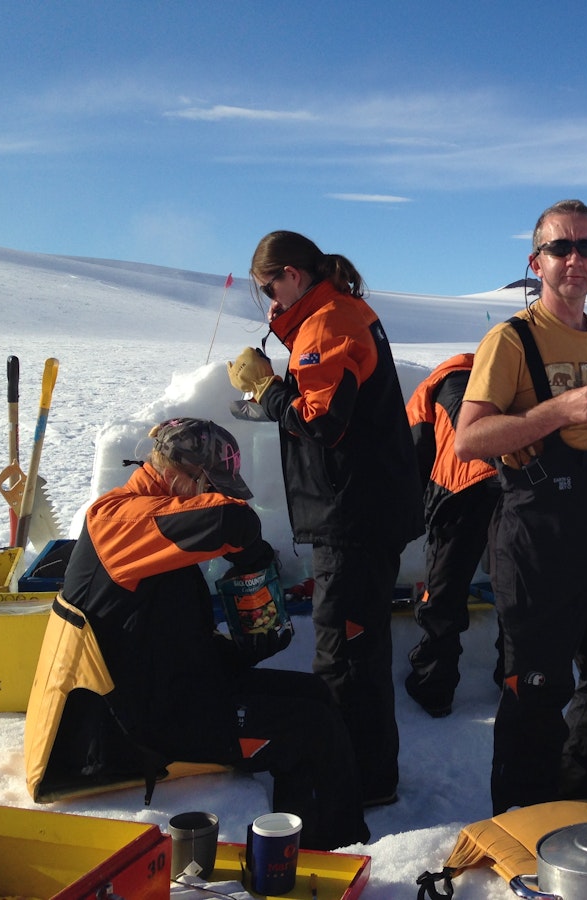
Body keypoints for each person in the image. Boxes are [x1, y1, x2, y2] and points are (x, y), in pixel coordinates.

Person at [24, 418, 369, 850]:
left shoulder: (156, 528)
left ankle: (335, 836)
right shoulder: (115, 520)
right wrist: (253, 556)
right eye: (210, 486)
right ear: (176, 473)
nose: (214, 496)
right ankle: (329, 856)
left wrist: (244, 651)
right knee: (309, 731)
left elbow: (166, 641)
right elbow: (230, 522)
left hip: (173, 693)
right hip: (140, 725)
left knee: (316, 695)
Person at [454, 199, 587, 813]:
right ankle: (521, 816)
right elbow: (470, 439)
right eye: (560, 248)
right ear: (536, 261)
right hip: (538, 530)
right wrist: (556, 412)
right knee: (535, 690)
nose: (574, 259)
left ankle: (572, 787)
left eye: (585, 248)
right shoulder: (511, 338)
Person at [227, 232, 424, 807]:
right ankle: (367, 774)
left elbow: (321, 423)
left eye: (268, 287)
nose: (267, 299)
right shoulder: (329, 315)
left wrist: (265, 389)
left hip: (354, 515)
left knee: (345, 654)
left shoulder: (330, 323)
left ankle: (356, 782)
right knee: (356, 648)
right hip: (360, 508)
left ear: (291, 275)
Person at [404, 353, 502, 718]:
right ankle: (517, 681)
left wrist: (415, 521)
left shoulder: (431, 388)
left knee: (443, 593)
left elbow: (412, 456)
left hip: (460, 487)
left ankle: (434, 688)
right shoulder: (503, 380)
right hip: (516, 482)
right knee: (514, 588)